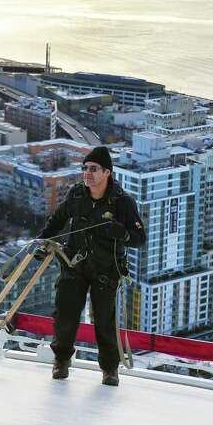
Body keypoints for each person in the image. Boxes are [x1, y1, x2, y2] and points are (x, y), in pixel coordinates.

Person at [36, 146, 145, 386]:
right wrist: (42, 242)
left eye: (93, 169)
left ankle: (109, 369)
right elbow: (57, 220)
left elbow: (140, 239)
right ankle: (61, 360)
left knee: (104, 321)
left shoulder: (123, 203)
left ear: (107, 172)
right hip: (74, 266)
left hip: (106, 270)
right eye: (85, 168)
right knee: (65, 315)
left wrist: (123, 234)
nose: (87, 173)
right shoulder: (77, 195)